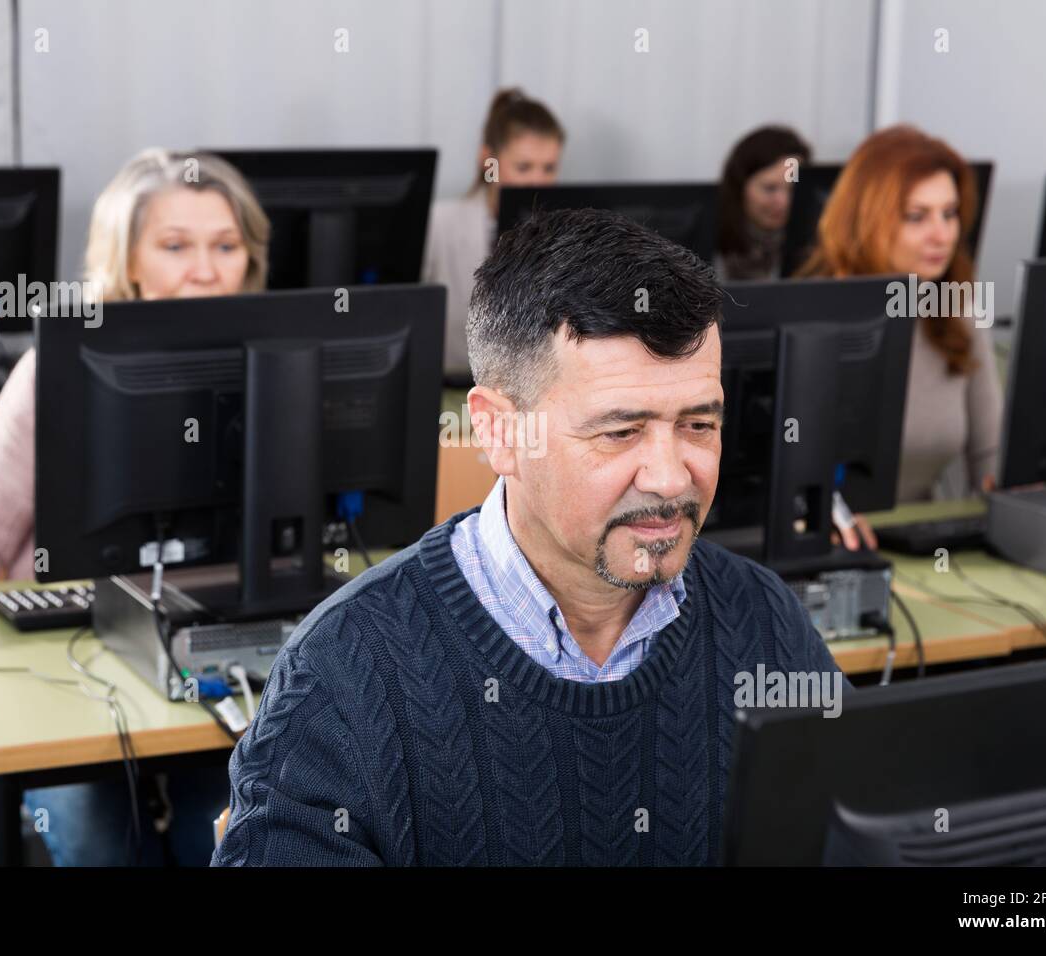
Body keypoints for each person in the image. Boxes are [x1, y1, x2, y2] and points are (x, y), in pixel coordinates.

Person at [213, 207, 850, 867]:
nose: (669, 478)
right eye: (619, 432)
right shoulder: (343, 670)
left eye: (698, 425)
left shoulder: (764, 620)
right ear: (497, 432)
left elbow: (865, 838)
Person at [0, 148, 271, 865]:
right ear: (130, 262)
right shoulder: (54, 367)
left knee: (236, 838)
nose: (205, 270)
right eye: (176, 246)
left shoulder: (285, 368)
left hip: (215, 666)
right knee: (100, 843)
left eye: (225, 246)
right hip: (70, 669)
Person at [797, 125, 1002, 503]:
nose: (942, 235)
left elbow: (991, 454)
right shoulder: (810, 321)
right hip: (829, 543)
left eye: (950, 214)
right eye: (917, 216)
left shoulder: (960, 310)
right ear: (869, 221)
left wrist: (1014, 502)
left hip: (921, 538)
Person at [422, 88, 565, 384]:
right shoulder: (439, 224)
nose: (538, 181)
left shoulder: (562, 236)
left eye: (548, 168)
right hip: (450, 387)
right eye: (524, 167)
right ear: (489, 163)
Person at [713, 125, 811, 281]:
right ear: (739, 187)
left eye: (793, 190)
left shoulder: (814, 252)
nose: (784, 202)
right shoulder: (707, 246)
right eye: (770, 188)